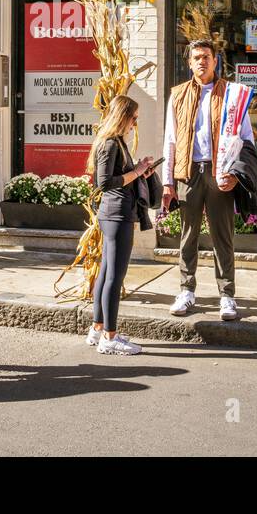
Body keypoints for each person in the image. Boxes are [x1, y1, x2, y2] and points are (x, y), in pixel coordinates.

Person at [161, 39, 256, 321]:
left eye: (206, 56)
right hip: (189, 172)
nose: (201, 61)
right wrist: (168, 182)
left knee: (222, 236)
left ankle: (227, 295)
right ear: (189, 63)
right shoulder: (178, 95)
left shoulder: (232, 94)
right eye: (196, 57)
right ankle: (186, 290)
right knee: (188, 235)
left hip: (220, 173)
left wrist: (237, 176)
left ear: (216, 61)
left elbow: (246, 139)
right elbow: (170, 139)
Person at [86, 95, 158, 355]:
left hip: (116, 213)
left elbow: (118, 177)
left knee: (106, 273)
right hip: (117, 214)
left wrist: (141, 170)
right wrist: (138, 171)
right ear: (123, 116)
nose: (135, 124)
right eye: (134, 118)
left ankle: (97, 328)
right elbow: (104, 182)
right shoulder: (109, 143)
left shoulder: (115, 143)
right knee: (114, 277)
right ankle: (110, 336)